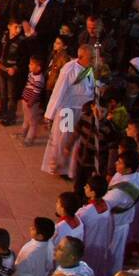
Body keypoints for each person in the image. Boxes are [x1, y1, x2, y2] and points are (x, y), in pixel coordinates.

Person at [41, 44, 97, 177]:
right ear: (81, 57)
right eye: (91, 57)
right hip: (68, 109)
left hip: (82, 110)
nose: (93, 60)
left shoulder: (90, 69)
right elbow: (58, 91)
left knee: (76, 140)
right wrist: (50, 114)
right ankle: (58, 166)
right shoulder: (69, 69)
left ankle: (70, 170)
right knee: (63, 139)